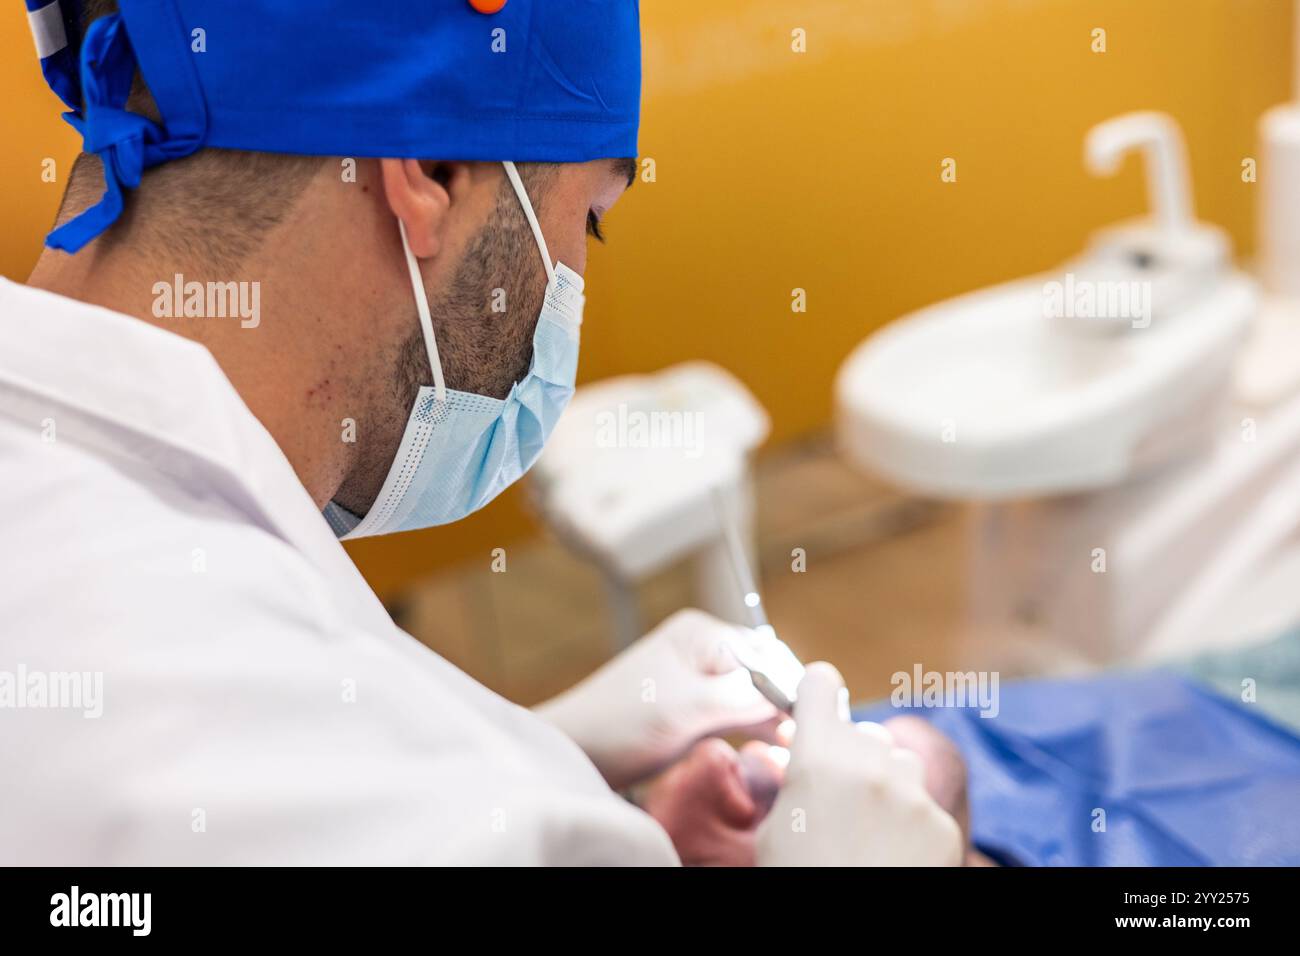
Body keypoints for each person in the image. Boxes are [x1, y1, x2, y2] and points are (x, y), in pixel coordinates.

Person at [0, 0, 961, 865]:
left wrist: (547, 746)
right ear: (430, 174)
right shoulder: (413, 798)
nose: (572, 281)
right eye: (590, 222)